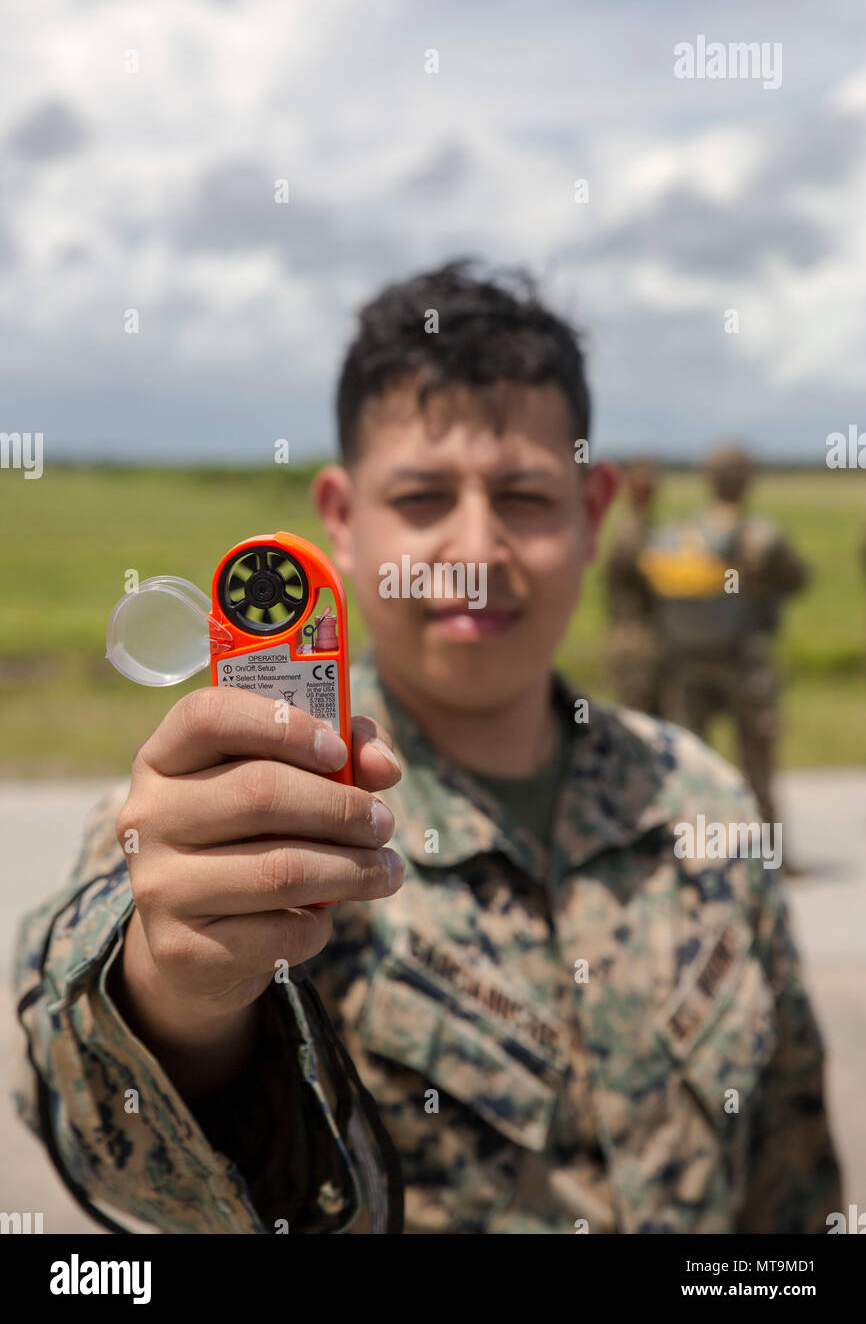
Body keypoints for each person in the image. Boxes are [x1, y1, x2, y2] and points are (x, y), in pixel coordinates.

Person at [14, 262, 841, 1234]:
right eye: (421, 496)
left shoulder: (704, 801)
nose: (475, 550)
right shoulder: (229, 810)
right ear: (340, 518)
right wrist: (180, 999)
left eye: (524, 495)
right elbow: (83, 1109)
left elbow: (791, 1177)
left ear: (592, 511)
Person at [639, 446, 808, 829]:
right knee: (757, 764)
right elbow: (797, 579)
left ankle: (690, 848)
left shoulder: (680, 534)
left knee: (689, 766)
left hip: (686, 662)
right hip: (745, 662)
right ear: (747, 481)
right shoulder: (759, 535)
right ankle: (767, 850)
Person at [603, 459, 663, 714]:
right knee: (638, 717)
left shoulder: (642, 524)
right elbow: (653, 577)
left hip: (642, 634)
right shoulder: (631, 532)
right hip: (635, 637)